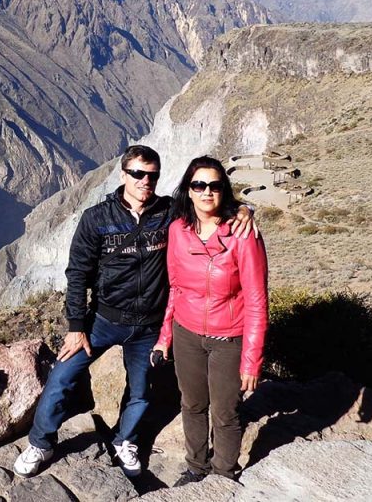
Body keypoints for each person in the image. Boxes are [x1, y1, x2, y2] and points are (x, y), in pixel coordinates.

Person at [14, 145, 253, 479]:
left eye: (152, 175)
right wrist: (75, 325)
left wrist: (243, 209)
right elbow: (78, 274)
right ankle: (41, 442)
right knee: (61, 377)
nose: (145, 181)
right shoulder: (96, 219)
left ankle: (124, 439)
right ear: (123, 174)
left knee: (140, 391)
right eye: (138, 174)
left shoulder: (169, 213)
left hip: (147, 326)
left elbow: (209, 206)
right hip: (102, 320)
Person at [152, 155, 268, 484]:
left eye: (214, 186)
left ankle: (222, 475)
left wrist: (251, 359)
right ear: (188, 190)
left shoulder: (243, 235)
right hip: (186, 333)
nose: (206, 192)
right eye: (198, 185)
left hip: (228, 339)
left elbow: (257, 301)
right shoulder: (178, 231)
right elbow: (175, 287)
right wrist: (165, 336)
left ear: (224, 191)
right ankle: (196, 468)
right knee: (192, 404)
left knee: (225, 412)